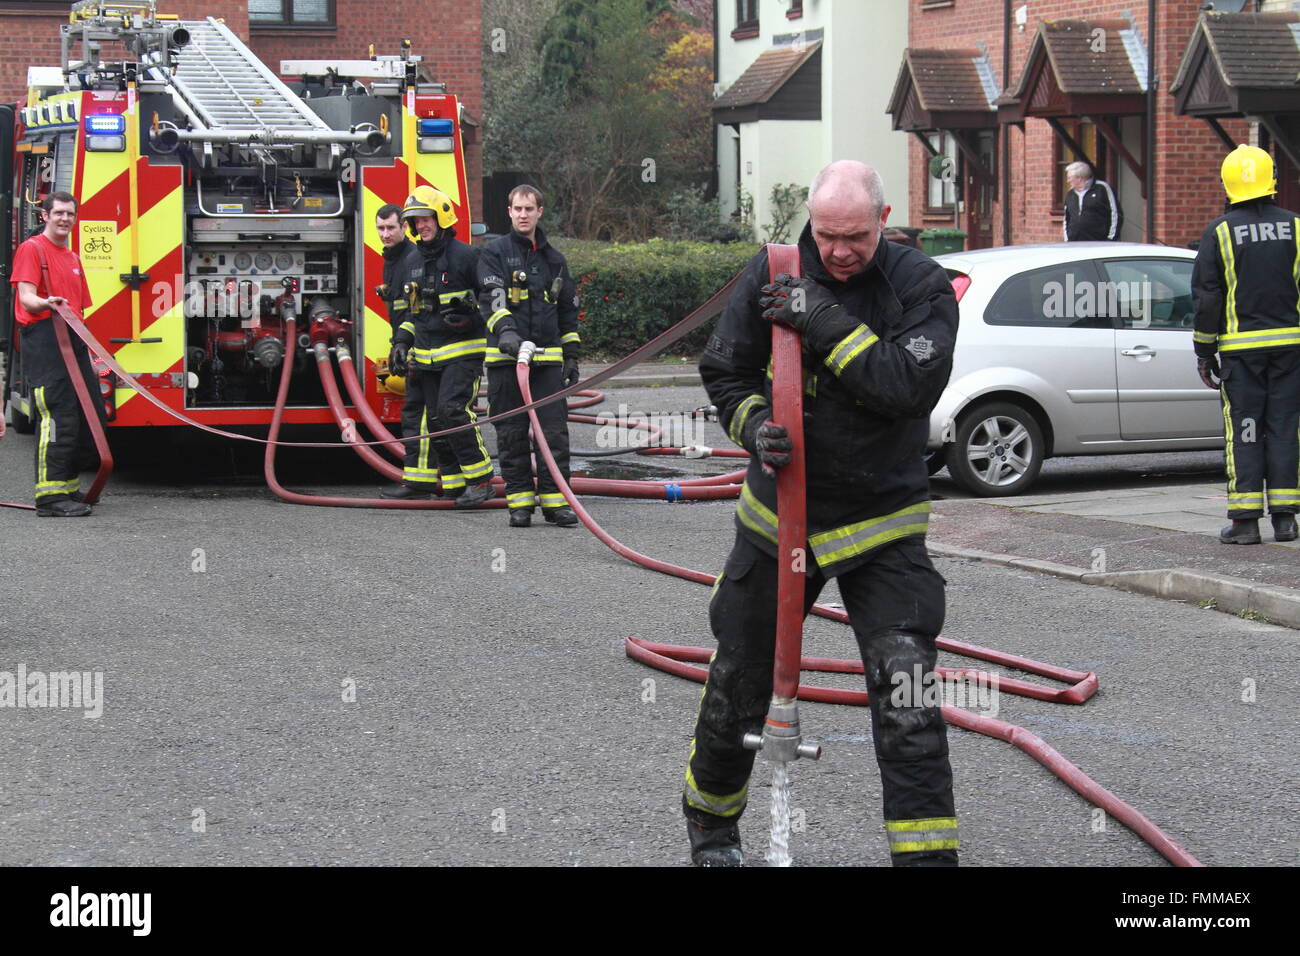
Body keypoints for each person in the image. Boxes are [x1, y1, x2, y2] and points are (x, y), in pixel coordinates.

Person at [681, 160, 960, 867]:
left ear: (884, 219)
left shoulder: (922, 287)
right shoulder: (772, 269)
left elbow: (904, 387)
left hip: (882, 525)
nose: (836, 251)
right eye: (825, 234)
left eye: (855, 238)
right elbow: (727, 369)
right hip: (780, 522)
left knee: (908, 703)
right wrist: (752, 426)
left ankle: (927, 860)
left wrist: (822, 317)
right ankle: (712, 831)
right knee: (736, 685)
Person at [1192, 144, 1300, 545]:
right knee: (1286, 427)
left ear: (1229, 183)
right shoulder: (1297, 228)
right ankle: (1286, 520)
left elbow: (1207, 299)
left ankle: (1245, 521)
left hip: (1241, 355)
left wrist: (1204, 351)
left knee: (1246, 431)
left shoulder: (1219, 232)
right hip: (1291, 349)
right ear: (1271, 181)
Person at [380, 187, 494, 507]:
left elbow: (493, 299)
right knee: (435, 419)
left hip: (462, 352)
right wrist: (401, 343)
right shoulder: (413, 260)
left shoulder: (467, 256)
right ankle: (457, 483)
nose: (422, 225)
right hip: (427, 354)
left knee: (453, 411)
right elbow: (411, 312)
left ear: (441, 217)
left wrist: (471, 314)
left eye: (427, 218)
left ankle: (481, 480)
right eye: (416, 221)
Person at [477, 185, 581, 528]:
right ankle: (519, 504)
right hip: (507, 363)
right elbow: (492, 295)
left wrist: (572, 353)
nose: (523, 214)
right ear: (509, 212)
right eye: (517, 209)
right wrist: (506, 331)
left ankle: (555, 504)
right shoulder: (493, 254)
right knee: (511, 433)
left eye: (529, 209)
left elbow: (567, 311)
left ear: (539, 212)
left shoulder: (555, 260)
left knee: (553, 434)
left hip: (547, 364)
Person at [9, 191, 100, 517]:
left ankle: (67, 488)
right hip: (46, 340)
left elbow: (80, 311)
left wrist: (89, 355)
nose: (65, 219)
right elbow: (27, 297)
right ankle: (49, 499)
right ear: (44, 216)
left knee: (81, 416)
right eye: (59, 213)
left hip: (72, 341)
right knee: (56, 416)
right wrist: (48, 304)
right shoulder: (32, 250)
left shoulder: (73, 259)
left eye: (70, 214)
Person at [1062, 160, 1123, 241]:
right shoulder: (1070, 194)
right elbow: (1067, 218)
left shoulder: (1102, 189)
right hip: (1074, 242)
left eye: (1070, 178)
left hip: (1099, 242)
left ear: (1079, 178)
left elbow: (1115, 213)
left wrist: (1111, 239)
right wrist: (1067, 239)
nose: (1068, 181)